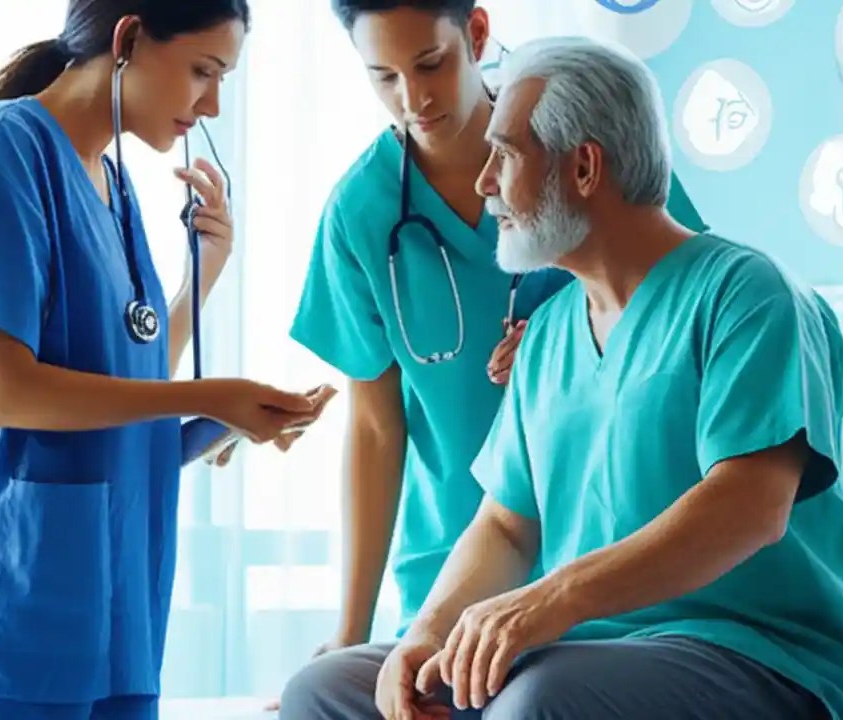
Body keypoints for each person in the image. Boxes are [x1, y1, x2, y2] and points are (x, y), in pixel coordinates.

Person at [281, 36, 843, 720]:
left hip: (752, 655)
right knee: (325, 691)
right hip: (585, 650)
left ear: (584, 167)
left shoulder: (748, 296)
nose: (484, 183)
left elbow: (750, 505)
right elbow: (507, 526)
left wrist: (554, 598)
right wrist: (428, 633)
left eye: (505, 156)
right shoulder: (548, 334)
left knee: (536, 702)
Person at [0, 2, 335, 718]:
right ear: (128, 38)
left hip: (97, 603)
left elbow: (124, 384)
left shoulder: (110, 181)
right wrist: (211, 395)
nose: (212, 105)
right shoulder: (6, 145)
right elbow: (5, 393)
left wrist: (204, 285)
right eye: (203, 71)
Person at [285, 0, 711, 673]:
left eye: (431, 64)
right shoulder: (361, 211)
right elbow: (374, 429)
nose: (412, 100)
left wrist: (574, 330)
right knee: (332, 688)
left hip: (603, 560)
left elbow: (681, 291)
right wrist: (351, 628)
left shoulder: (581, 144)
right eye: (384, 76)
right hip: (454, 567)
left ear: (477, 33)